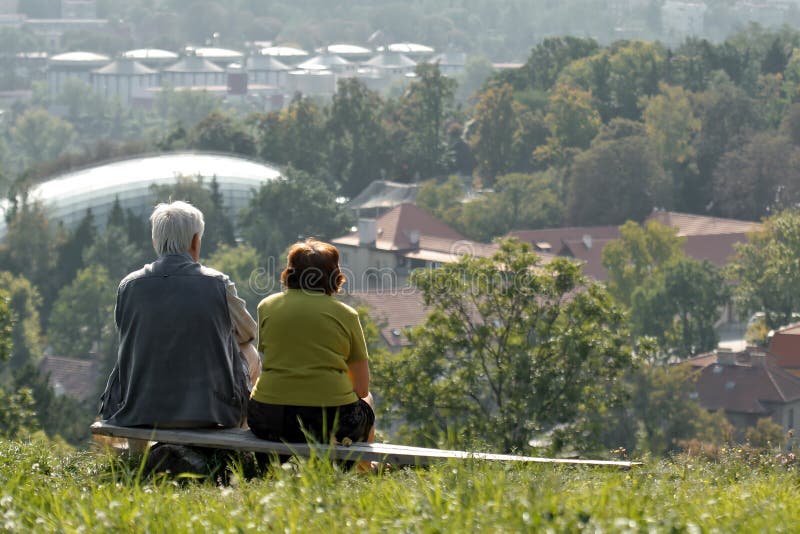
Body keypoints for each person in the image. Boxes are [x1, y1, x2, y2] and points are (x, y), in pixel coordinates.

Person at [99, 200, 260, 429]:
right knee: (249, 350)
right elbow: (248, 332)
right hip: (212, 412)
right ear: (196, 241)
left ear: (156, 241)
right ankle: (238, 440)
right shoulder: (218, 284)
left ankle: (135, 457)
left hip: (138, 411)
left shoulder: (129, 285)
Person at [247, 239, 375, 447]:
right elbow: (361, 388)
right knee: (368, 400)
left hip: (268, 418)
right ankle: (364, 470)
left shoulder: (267, 306)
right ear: (335, 276)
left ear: (290, 272)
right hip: (329, 422)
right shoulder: (346, 315)